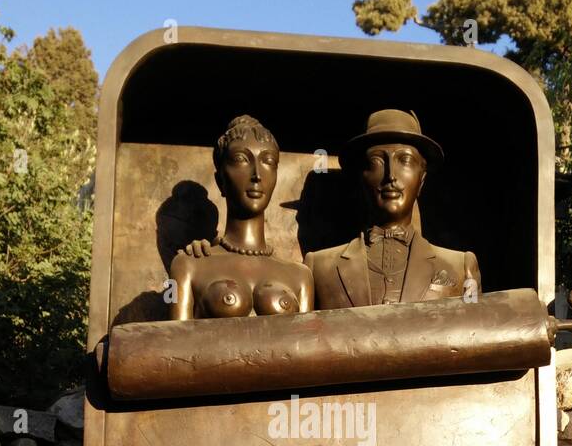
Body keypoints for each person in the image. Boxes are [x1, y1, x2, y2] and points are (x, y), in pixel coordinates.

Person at [305, 109, 481, 309]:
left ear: (421, 180)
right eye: (376, 162)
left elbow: (476, 334)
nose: (391, 176)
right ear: (361, 179)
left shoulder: (462, 266)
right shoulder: (318, 268)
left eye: (405, 160)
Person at [169, 115, 312, 320]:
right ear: (220, 180)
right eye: (241, 160)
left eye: (268, 161)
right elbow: (172, 343)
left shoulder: (301, 275)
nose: (257, 175)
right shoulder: (188, 264)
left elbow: (308, 348)